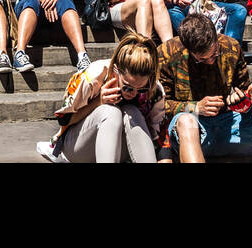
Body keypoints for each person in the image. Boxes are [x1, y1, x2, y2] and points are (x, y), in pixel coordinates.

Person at [158, 12, 252, 163]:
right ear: (188, 49)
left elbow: (248, 94)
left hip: (229, 125)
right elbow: (159, 107)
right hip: (190, 130)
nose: (210, 62)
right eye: (202, 60)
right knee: (186, 121)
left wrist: (242, 102)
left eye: (214, 55)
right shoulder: (167, 53)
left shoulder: (231, 46)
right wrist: (195, 107)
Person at [37, 33, 167, 164]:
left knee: (132, 111)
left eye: (141, 89)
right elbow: (65, 120)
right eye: (127, 87)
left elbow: (157, 132)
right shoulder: (93, 75)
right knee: (111, 112)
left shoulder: (155, 89)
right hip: (78, 146)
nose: (133, 94)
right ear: (116, 70)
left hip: (122, 148)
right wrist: (98, 101)